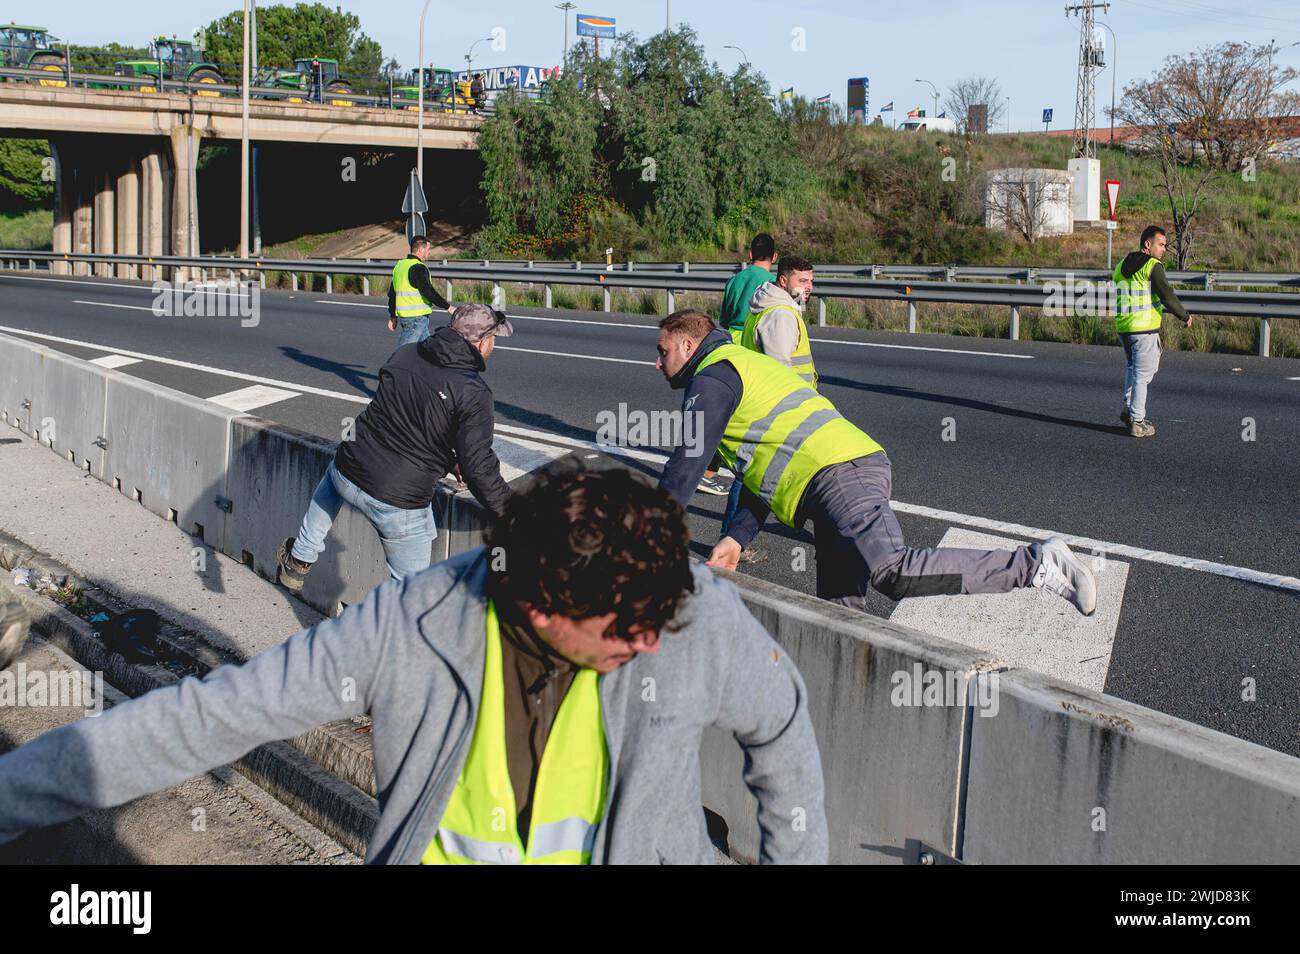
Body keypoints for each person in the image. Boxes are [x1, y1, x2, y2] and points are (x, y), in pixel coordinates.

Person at [0, 463, 828, 865]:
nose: (653, 646)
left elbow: (783, 729)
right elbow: (210, 718)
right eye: (624, 635)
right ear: (541, 607)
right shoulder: (412, 624)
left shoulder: (685, 608)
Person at [654, 309, 1097, 616]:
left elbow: (687, 461)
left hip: (837, 475)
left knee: (893, 572)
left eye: (663, 351)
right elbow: (763, 469)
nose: (657, 363)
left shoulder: (712, 375)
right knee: (839, 617)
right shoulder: (739, 366)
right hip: (830, 478)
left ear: (689, 345)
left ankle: (1039, 563)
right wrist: (736, 537)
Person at [277, 303, 513, 589]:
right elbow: (478, 470)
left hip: (346, 471)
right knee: (408, 597)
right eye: (495, 340)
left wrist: (450, 461)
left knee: (341, 463)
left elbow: (399, 418)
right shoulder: (474, 393)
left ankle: (300, 557)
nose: (494, 346)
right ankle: (382, 630)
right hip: (398, 501)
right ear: (482, 341)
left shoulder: (406, 353)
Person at [1113, 225, 1192, 438]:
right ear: (1148, 244)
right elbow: (1167, 295)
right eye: (1161, 244)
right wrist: (1185, 316)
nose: (1164, 249)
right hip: (1144, 329)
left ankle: (1129, 409)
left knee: (1132, 369)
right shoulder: (1152, 266)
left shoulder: (1120, 265)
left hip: (1124, 327)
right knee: (1143, 375)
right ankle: (1137, 421)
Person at [741, 253, 817, 385]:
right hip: (789, 399)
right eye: (802, 281)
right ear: (783, 281)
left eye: (811, 281)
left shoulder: (771, 302)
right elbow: (779, 371)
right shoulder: (780, 314)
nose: (809, 287)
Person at [389, 235, 455, 350]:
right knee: (402, 354)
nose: (428, 253)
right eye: (428, 249)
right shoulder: (418, 268)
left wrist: (393, 316)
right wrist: (448, 307)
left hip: (410, 318)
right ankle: (392, 369)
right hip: (416, 319)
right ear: (421, 250)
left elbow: (392, 294)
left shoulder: (399, 266)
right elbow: (428, 291)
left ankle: (431, 368)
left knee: (427, 352)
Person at [718, 233, 776, 339]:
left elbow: (723, 319)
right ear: (774, 257)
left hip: (732, 339)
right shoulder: (773, 283)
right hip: (756, 340)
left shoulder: (733, 280)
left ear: (750, 255)